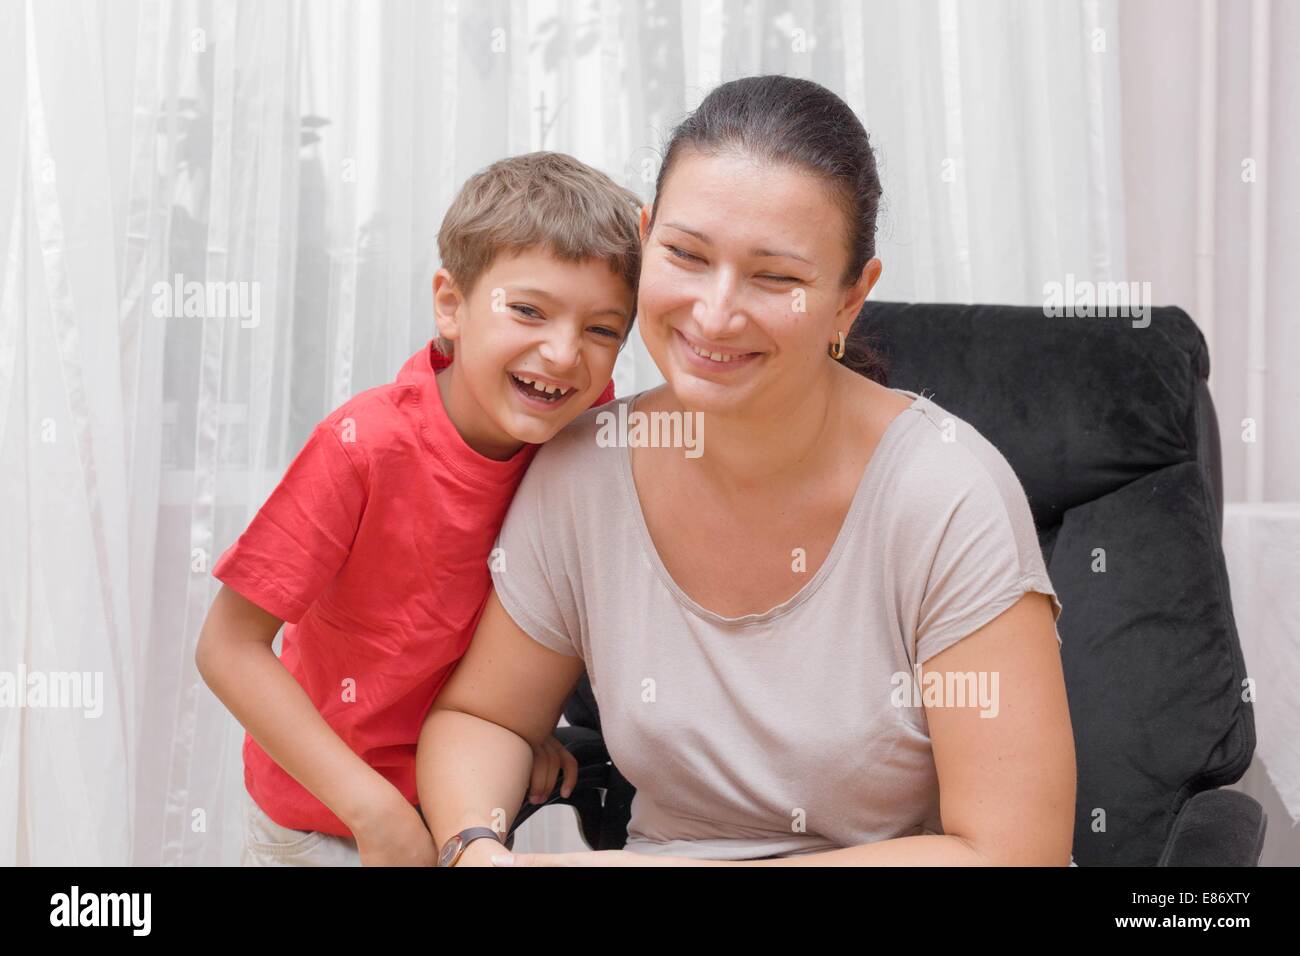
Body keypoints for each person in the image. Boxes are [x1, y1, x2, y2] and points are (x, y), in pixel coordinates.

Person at [418, 76, 1077, 867]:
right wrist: (474, 846)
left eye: (776, 278)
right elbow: (484, 718)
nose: (715, 313)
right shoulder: (583, 471)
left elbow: (1014, 853)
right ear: (646, 235)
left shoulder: (946, 494)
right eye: (686, 256)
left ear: (848, 299)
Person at [195, 151, 643, 865]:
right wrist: (370, 808)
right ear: (451, 304)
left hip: (456, 813)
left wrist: (522, 729)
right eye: (527, 310)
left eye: (601, 330)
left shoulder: (585, 437)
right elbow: (227, 647)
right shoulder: (362, 446)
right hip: (329, 821)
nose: (563, 354)